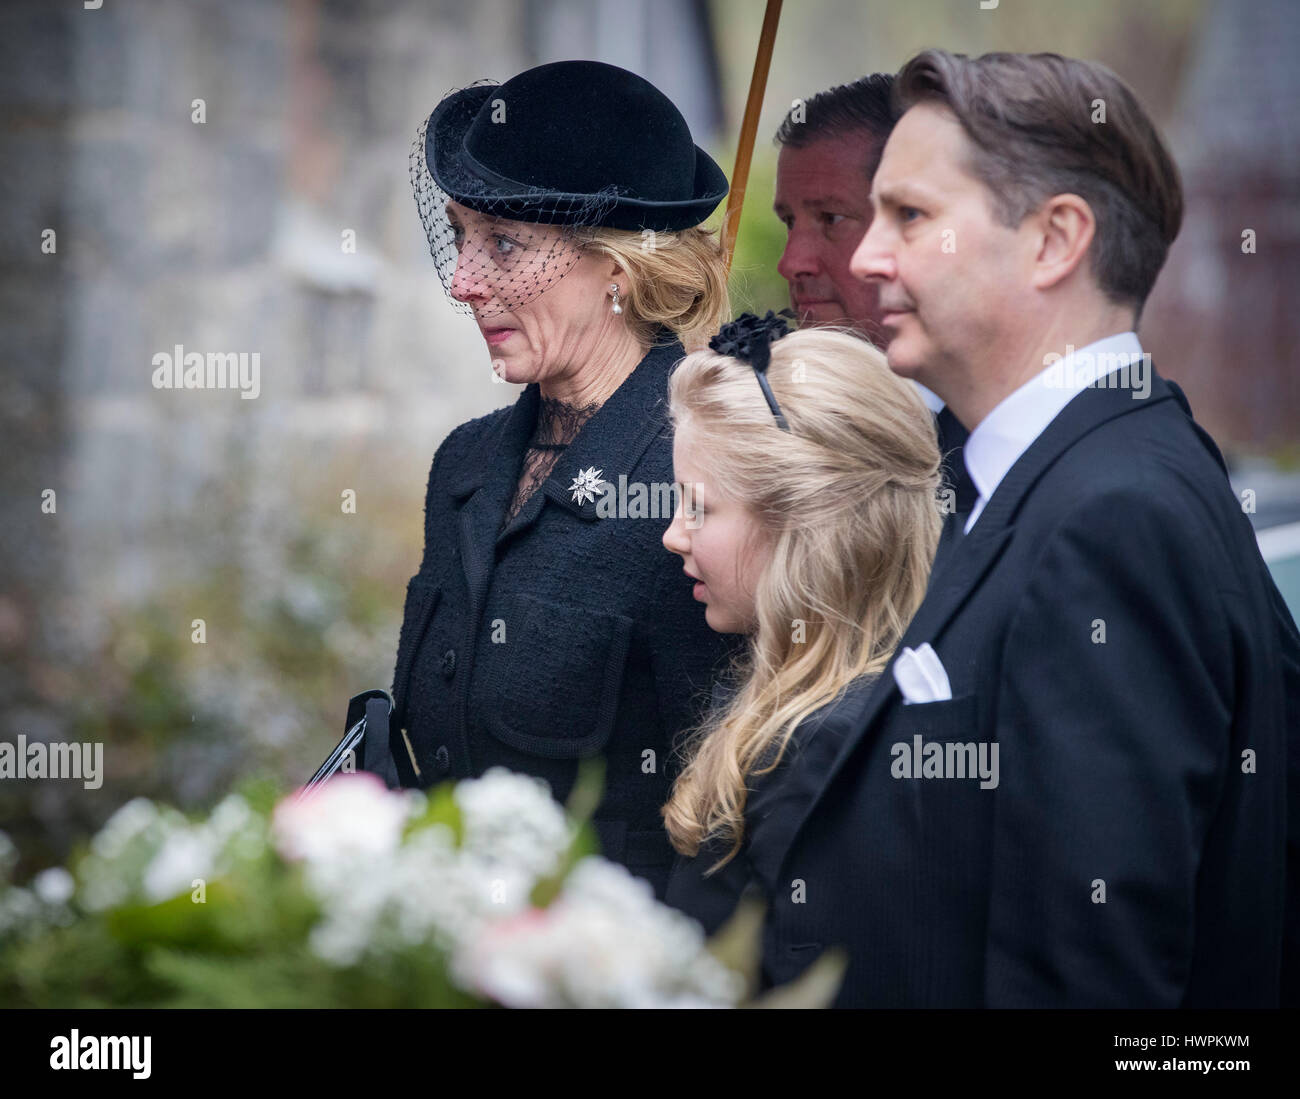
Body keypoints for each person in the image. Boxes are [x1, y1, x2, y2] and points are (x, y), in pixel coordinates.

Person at [741, 47, 1290, 1007]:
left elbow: (1091, 975)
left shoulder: (1112, 518)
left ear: (1054, 240)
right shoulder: (1032, 471)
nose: (868, 256)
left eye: (910, 216)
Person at [373, 60, 745, 901]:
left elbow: (732, 816)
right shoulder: (464, 465)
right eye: (460, 234)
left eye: (503, 243)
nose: (465, 280)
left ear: (618, 266)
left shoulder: (707, 472)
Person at [660, 315, 942, 949]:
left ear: (803, 520)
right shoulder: (818, 703)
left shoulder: (826, 746)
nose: (672, 534)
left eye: (699, 505)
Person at [773, 75, 975, 514]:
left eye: (831, 218)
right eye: (789, 221)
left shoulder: (999, 455)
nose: (790, 262)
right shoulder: (768, 424)